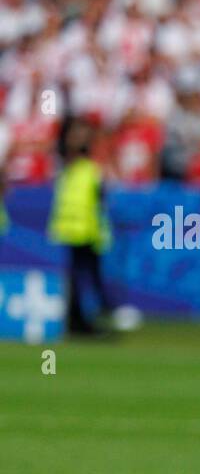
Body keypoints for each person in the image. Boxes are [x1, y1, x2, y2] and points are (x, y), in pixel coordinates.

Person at [48, 120, 115, 337]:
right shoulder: (69, 169)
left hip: (86, 233)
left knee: (88, 279)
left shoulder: (88, 170)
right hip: (72, 232)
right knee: (76, 280)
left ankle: (90, 321)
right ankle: (78, 322)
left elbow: (100, 204)